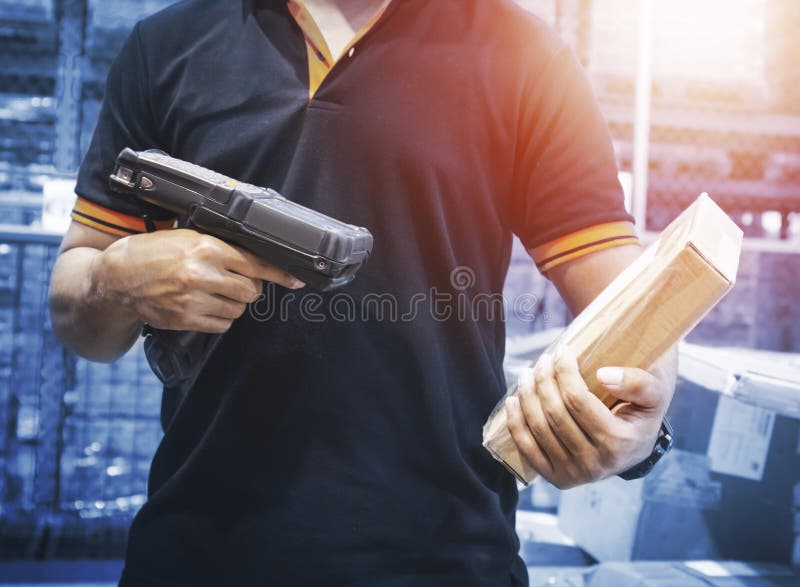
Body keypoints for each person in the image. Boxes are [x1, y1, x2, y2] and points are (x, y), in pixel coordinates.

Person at [49, 0, 676, 585]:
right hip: (198, 548)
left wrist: (641, 430)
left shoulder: (522, 56)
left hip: (445, 555)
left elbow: (628, 290)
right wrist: (118, 280)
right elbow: (77, 306)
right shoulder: (167, 46)